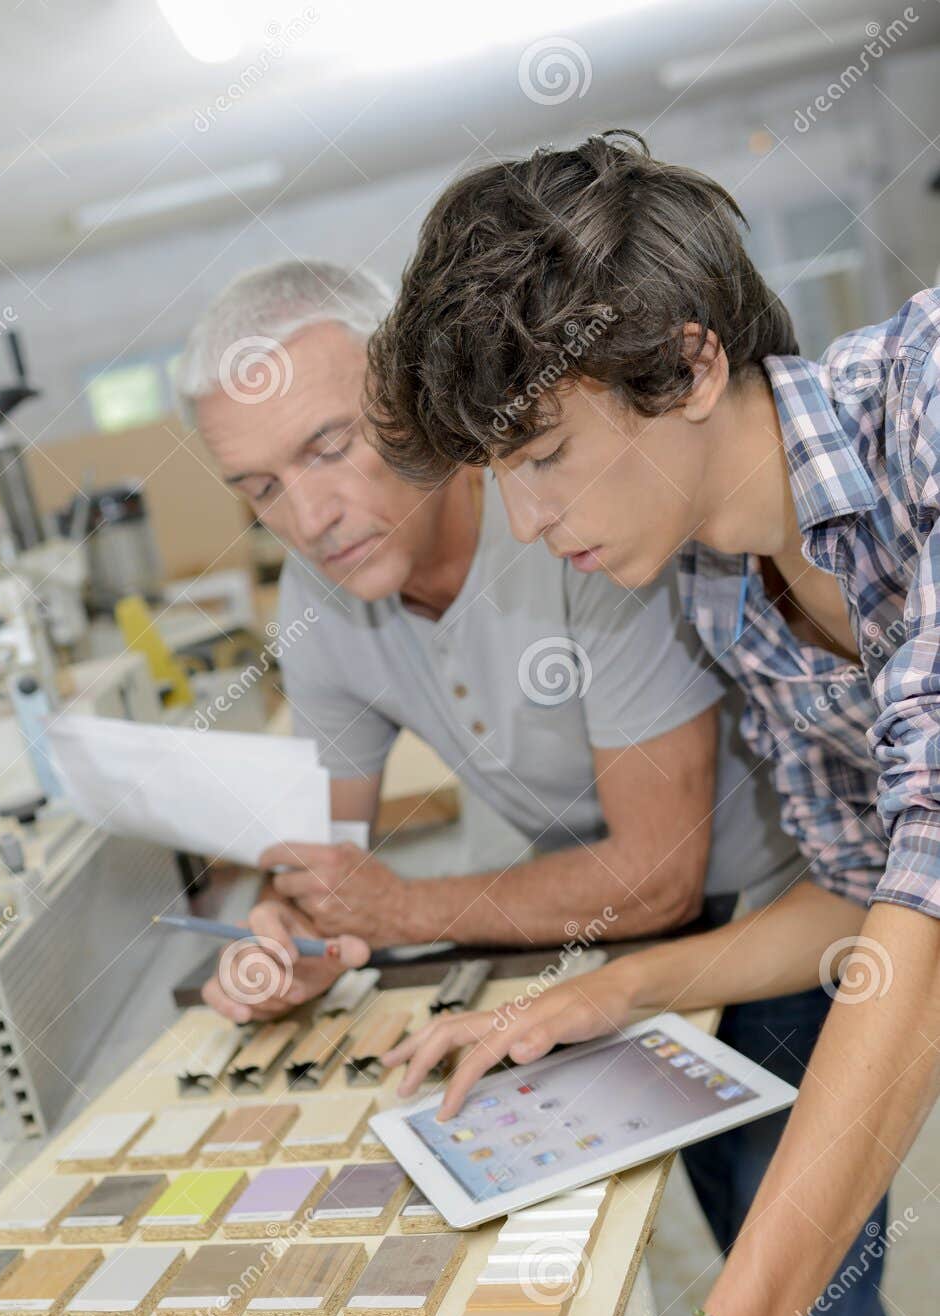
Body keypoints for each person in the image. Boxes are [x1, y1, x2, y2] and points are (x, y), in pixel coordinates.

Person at [365, 132, 938, 1316]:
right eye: (503, 475)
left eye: (545, 458)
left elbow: (930, 908)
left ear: (686, 368)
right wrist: (612, 992)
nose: (531, 522)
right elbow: (857, 894)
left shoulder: (929, 403)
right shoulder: (722, 590)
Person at [176, 259, 795, 1027]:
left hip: (766, 921)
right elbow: (325, 861)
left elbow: (658, 877)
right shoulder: (319, 596)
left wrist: (401, 911)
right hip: (587, 944)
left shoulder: (573, 519)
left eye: (331, 448)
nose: (308, 522)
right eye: (262, 489)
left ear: (415, 396)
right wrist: (290, 933)